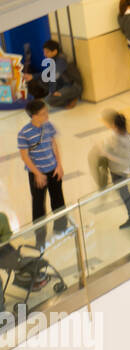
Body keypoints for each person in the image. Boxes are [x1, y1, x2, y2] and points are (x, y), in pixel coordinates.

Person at [17, 99, 67, 249]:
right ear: (34, 115)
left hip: (53, 170)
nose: (47, 115)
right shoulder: (24, 133)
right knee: (39, 207)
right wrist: (37, 173)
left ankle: (61, 228)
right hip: (37, 174)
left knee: (58, 200)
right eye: (43, 113)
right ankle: (40, 239)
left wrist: (59, 165)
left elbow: (53, 144)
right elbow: (24, 156)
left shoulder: (48, 126)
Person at [102, 111, 130, 236]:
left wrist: (106, 154)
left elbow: (108, 154)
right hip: (126, 169)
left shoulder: (112, 138)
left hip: (118, 171)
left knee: (125, 194)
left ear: (115, 126)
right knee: (125, 192)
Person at [23, 40, 82, 109]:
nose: (45, 54)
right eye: (44, 52)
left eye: (47, 52)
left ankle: (69, 100)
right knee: (40, 80)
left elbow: (54, 76)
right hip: (63, 83)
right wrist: (32, 76)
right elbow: (47, 73)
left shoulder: (61, 61)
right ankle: (61, 95)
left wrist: (52, 91)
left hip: (73, 86)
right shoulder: (53, 59)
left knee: (49, 100)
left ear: (55, 51)